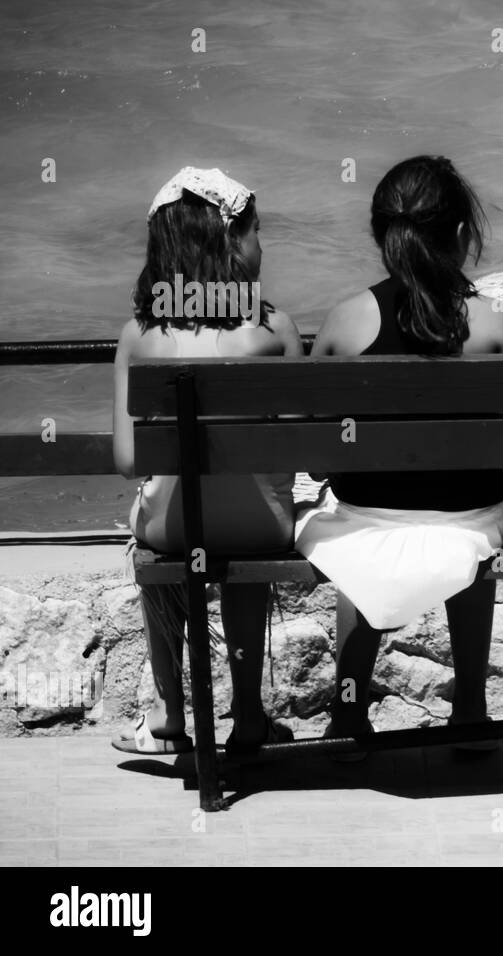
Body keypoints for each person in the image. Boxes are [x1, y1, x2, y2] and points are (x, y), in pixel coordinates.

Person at [299, 155, 503, 750]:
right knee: (474, 523)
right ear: (462, 235)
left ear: (382, 237)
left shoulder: (346, 321)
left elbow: (314, 459)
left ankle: (349, 711)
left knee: (362, 530)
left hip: (364, 524)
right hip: (470, 521)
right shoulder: (494, 323)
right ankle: (469, 710)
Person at [111, 167, 301, 754]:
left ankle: (170, 715)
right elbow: (300, 447)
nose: (261, 245)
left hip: (172, 529)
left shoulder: (138, 337)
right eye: (255, 231)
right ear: (227, 241)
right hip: (262, 528)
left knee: (159, 514)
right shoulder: (273, 331)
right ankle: (247, 715)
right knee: (246, 516)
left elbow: (124, 459)